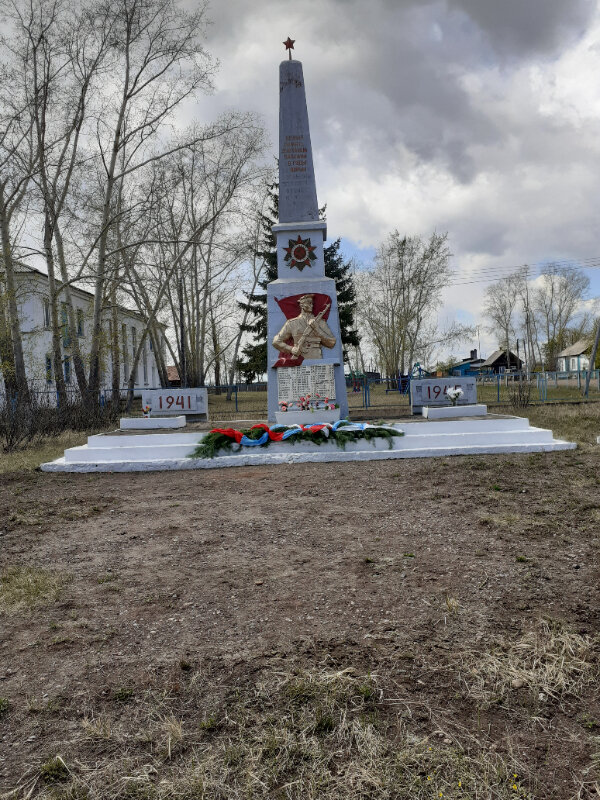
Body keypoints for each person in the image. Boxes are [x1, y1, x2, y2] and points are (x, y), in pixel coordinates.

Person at [272, 294, 336, 360]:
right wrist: (291, 349)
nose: (312, 305)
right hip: (299, 357)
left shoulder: (320, 322)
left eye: (312, 303)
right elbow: (276, 341)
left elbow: (332, 343)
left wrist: (317, 329)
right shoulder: (292, 323)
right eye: (309, 303)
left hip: (316, 357)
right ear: (302, 305)